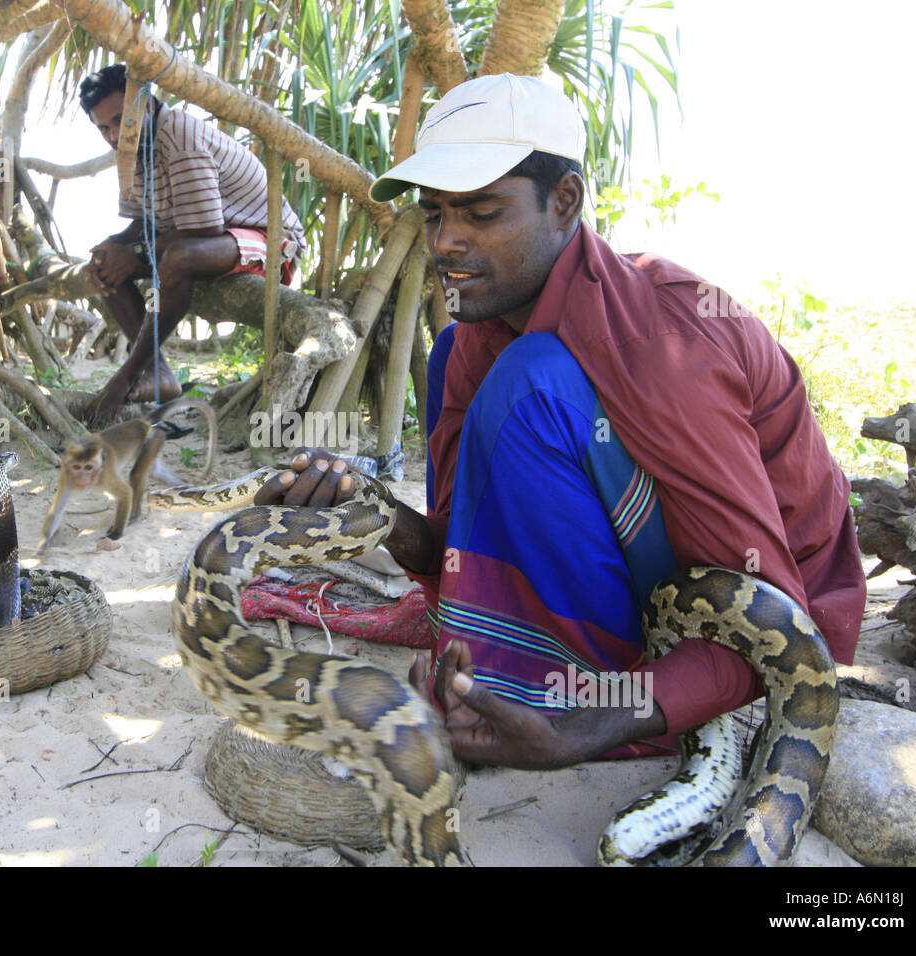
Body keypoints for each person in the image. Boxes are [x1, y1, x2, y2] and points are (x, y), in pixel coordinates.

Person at [254, 73, 865, 770]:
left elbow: (770, 619)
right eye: (434, 215)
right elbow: (460, 547)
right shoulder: (470, 342)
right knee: (489, 363)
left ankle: (568, 689)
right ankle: (533, 670)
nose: (446, 242)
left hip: (763, 602)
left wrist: (580, 731)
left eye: (482, 214)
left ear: (565, 201)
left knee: (534, 382)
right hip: (653, 575)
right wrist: (374, 516)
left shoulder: (664, 342)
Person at [78, 65, 306, 423]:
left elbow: (204, 228)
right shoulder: (133, 149)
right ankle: (160, 374)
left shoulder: (179, 135)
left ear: (147, 104)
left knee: (178, 257)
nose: (113, 134)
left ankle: (128, 375)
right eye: (104, 127)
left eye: (121, 119)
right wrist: (112, 247)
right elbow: (146, 223)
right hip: (213, 242)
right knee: (109, 262)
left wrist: (134, 253)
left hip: (271, 242)